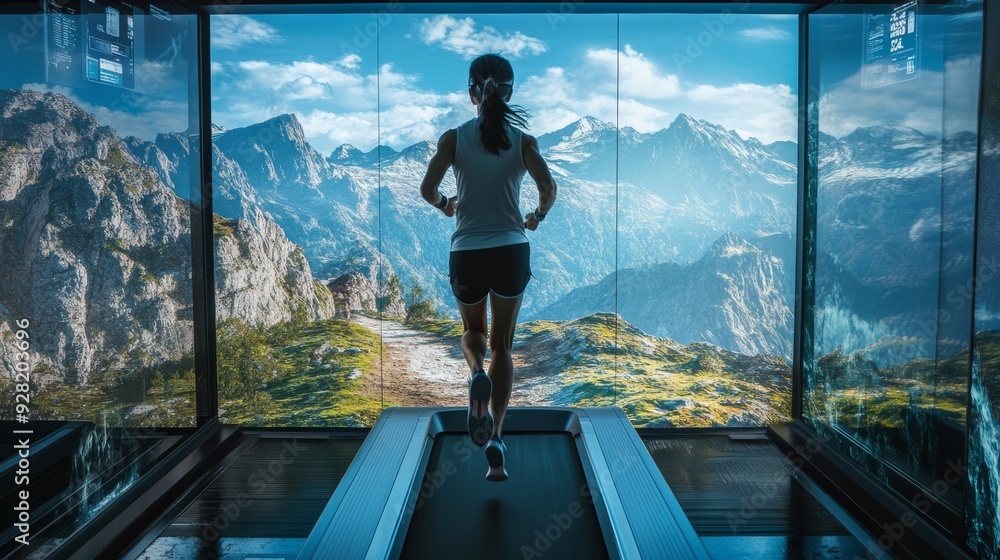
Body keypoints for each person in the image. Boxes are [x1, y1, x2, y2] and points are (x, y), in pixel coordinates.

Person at [419, 53, 557, 482]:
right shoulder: (524, 141)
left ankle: (476, 373)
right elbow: (548, 186)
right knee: (503, 346)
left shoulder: (453, 139)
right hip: (511, 250)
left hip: (467, 252)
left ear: (471, 94)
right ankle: (496, 436)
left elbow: (427, 189)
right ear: (509, 93)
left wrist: (446, 205)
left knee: (473, 334)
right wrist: (537, 216)